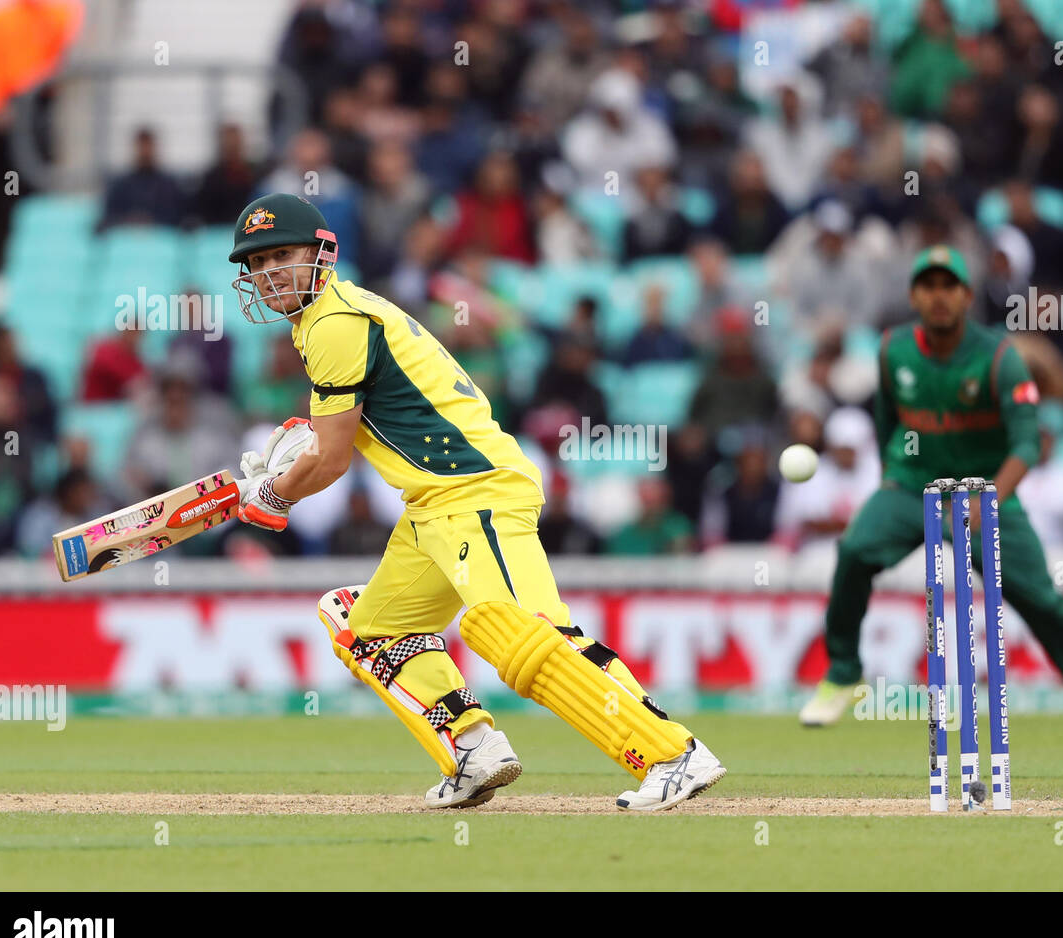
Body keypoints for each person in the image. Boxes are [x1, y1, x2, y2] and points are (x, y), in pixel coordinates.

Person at [227, 193, 724, 811]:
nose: (270, 271)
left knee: (516, 632)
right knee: (369, 629)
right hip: (431, 507)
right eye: (258, 261)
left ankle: (672, 754)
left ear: (321, 256)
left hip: (474, 490)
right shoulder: (327, 320)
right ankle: (473, 749)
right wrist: (287, 465)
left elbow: (330, 460)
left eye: (283, 254)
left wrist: (270, 495)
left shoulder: (334, 322)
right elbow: (344, 434)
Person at [798, 245, 1063, 729]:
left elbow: (1026, 445)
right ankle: (843, 674)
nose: (938, 297)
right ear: (913, 296)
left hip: (986, 492)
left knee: (1040, 598)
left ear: (966, 295)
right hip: (912, 488)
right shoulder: (893, 350)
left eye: (948, 287)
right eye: (928, 287)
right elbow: (887, 424)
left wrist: (991, 497)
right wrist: (892, 476)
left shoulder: (1000, 358)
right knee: (853, 551)